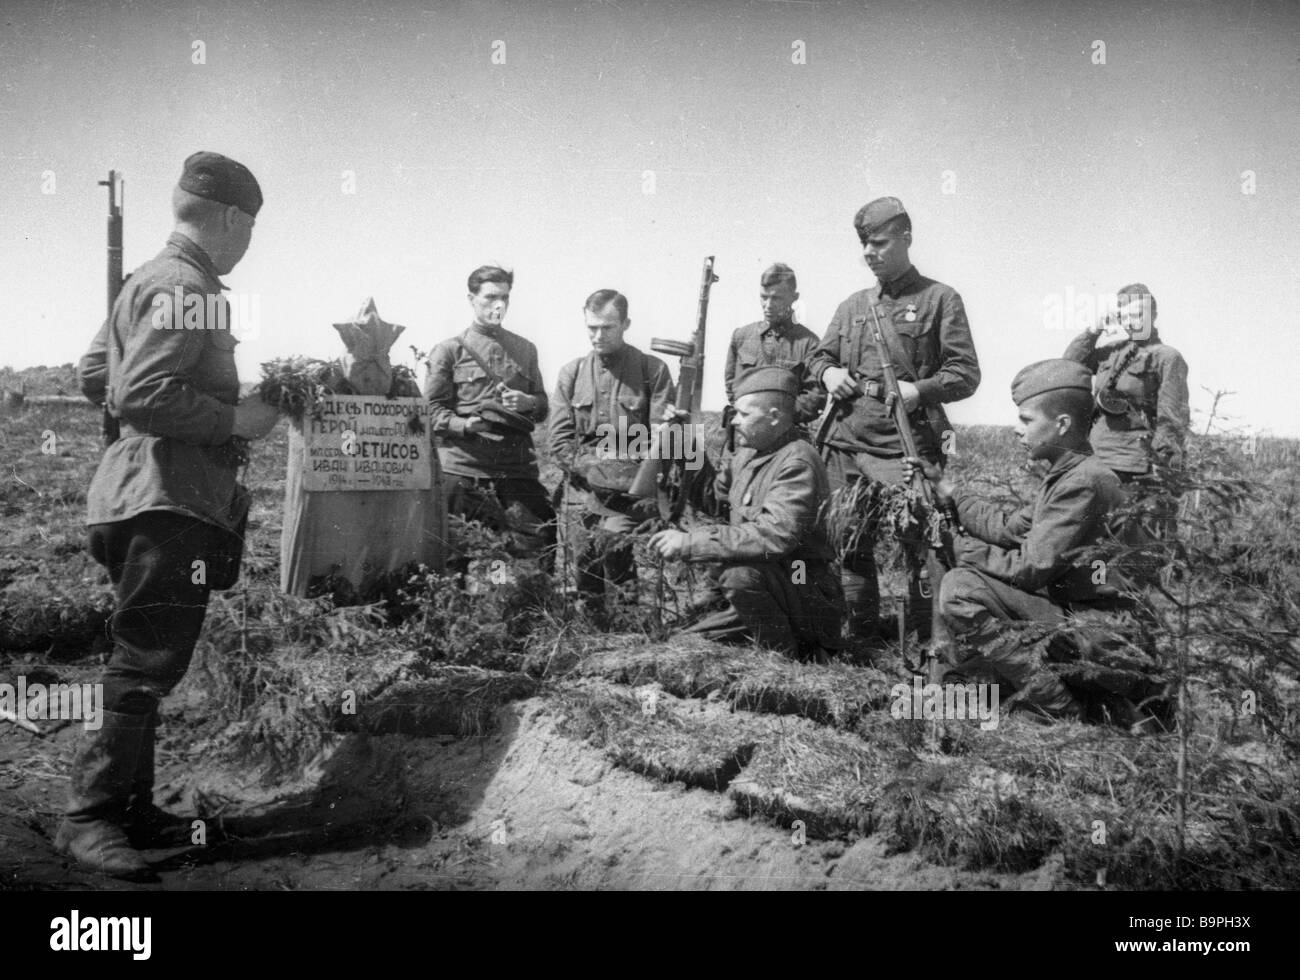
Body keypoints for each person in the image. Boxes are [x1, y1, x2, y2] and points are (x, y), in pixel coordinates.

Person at [65, 151, 281, 879]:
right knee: (144, 661)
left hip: (133, 493)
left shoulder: (148, 280)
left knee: (144, 658)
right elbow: (140, 393)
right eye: (250, 228)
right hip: (166, 499)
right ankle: (90, 819)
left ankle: (129, 807)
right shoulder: (191, 287)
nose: (249, 242)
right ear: (230, 219)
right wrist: (234, 420)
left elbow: (97, 374)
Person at [907, 359, 1129, 720]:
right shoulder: (1070, 475)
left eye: (1026, 420)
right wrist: (944, 487)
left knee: (960, 590)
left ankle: (1057, 705)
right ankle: (1074, 693)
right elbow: (1007, 527)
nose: (1016, 429)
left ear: (1061, 425)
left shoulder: (1083, 483)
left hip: (1100, 638)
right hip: (1084, 625)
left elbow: (1029, 568)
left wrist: (955, 547)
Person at [805, 196, 980, 640]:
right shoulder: (853, 305)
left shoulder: (940, 299)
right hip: (847, 442)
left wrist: (919, 391)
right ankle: (860, 639)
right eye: (864, 244)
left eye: (879, 242)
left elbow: (965, 374)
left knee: (921, 549)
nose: (869, 252)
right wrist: (828, 373)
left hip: (906, 448)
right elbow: (819, 355)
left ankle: (927, 645)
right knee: (848, 544)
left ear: (906, 238)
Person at [649, 367, 845, 657]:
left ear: (775, 417)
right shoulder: (749, 453)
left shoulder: (797, 460)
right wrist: (683, 444)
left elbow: (775, 536)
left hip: (803, 583)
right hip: (776, 585)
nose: (735, 422)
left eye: (744, 415)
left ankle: (784, 658)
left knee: (739, 576)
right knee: (680, 642)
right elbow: (714, 499)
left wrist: (690, 542)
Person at [549, 289, 675, 622]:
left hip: (633, 491)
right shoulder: (572, 373)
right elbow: (559, 441)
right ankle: (592, 630)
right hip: (584, 489)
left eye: (607, 327)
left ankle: (630, 623)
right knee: (585, 558)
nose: (597, 336)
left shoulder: (652, 370)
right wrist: (594, 471)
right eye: (591, 327)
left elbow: (666, 440)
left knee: (615, 551)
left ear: (626, 324)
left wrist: (624, 473)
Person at [425, 266, 555, 573]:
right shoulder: (448, 351)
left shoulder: (525, 349)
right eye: (490, 297)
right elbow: (430, 411)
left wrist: (528, 402)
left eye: (505, 298)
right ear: (472, 299)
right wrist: (465, 425)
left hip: (515, 470)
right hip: (464, 470)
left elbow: (543, 407)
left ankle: (509, 609)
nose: (499, 305)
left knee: (530, 547)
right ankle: (464, 617)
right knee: (459, 557)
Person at [1063, 283, 1189, 543]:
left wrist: (1161, 467)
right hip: (1095, 456)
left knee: (1130, 536)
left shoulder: (1167, 357)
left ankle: (1131, 583)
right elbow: (1069, 365)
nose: (1132, 322)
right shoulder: (1110, 352)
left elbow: (1171, 418)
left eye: (1138, 315)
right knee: (1090, 535)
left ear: (1153, 315)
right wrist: (1094, 330)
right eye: (1126, 316)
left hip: (1133, 463)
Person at [723, 263, 825, 428]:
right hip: (744, 433)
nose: (768, 305)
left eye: (776, 298)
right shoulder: (741, 337)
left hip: (785, 436)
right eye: (764, 297)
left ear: (794, 297)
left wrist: (775, 418)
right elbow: (731, 385)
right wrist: (749, 414)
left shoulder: (809, 344)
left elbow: (814, 399)